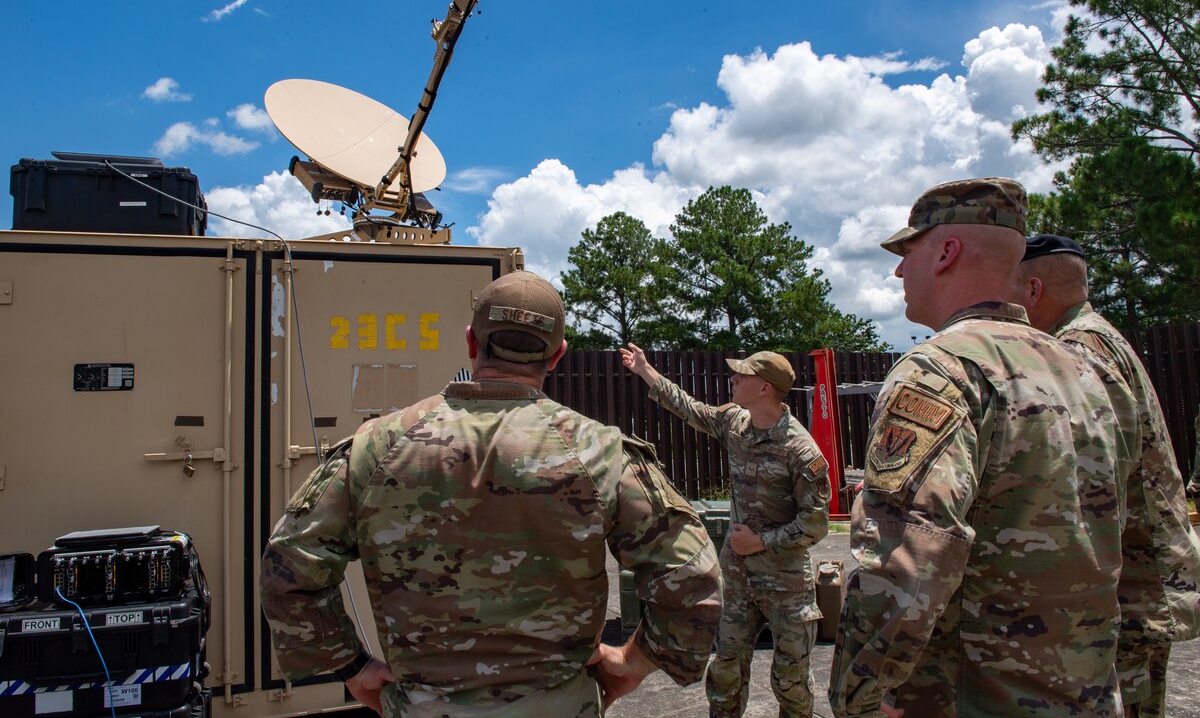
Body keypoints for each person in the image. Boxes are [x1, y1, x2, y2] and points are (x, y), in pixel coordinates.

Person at [260, 271, 722, 717]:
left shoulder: (376, 444)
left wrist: (351, 667)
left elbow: (288, 570)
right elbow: (693, 580)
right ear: (558, 355)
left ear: (471, 341)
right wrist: (632, 664)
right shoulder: (600, 451)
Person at [828, 177, 1139, 717]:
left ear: (946, 252)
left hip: (971, 695)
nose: (900, 270)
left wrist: (859, 695)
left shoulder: (940, 371)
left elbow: (909, 554)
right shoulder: (1089, 372)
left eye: (909, 251)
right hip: (1084, 694)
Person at [1014, 233, 1200, 718]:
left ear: (1032, 290)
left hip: (1125, 595)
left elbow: (1084, 484)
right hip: (1134, 587)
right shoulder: (1096, 338)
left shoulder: (1078, 352)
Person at [620, 344, 831, 718]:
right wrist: (645, 371)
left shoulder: (800, 450)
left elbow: (815, 524)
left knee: (791, 681)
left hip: (786, 586)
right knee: (725, 673)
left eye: (742, 375)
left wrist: (761, 541)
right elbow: (690, 409)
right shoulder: (736, 422)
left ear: (765, 388)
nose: (733, 379)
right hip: (737, 577)